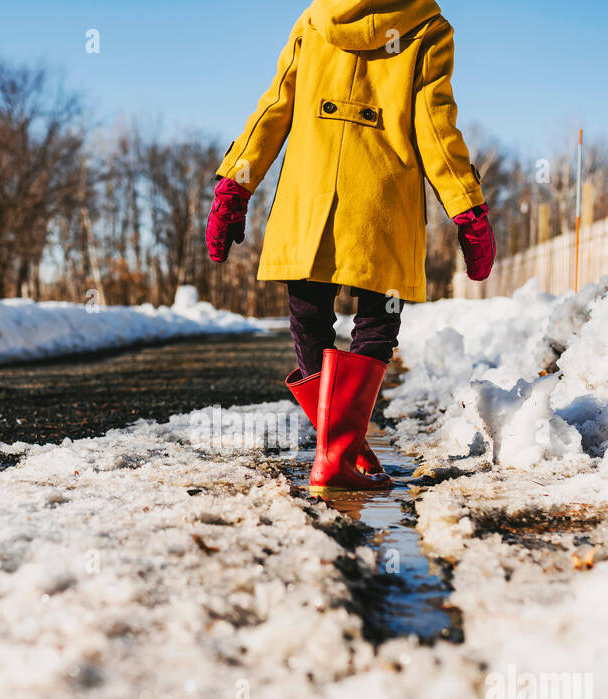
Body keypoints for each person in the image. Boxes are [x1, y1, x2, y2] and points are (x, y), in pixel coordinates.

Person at [205, 0, 494, 492]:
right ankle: (340, 454)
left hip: (310, 194)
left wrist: (237, 180)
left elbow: (276, 106)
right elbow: (434, 125)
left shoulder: (316, 18)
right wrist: (467, 206)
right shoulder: (427, 27)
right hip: (382, 200)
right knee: (378, 320)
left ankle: (339, 451)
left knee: (308, 312)